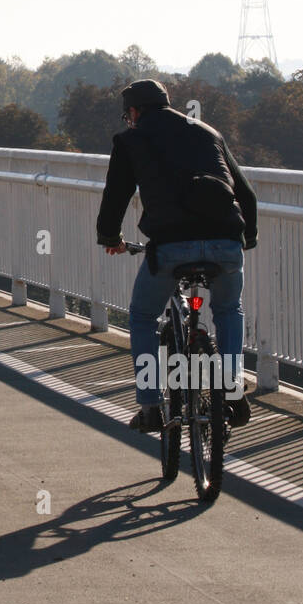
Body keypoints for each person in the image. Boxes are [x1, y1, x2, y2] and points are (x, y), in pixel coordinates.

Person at [96, 78, 258, 434]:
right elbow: (245, 192)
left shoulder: (131, 139)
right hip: (225, 241)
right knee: (228, 309)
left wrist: (110, 236)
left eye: (128, 116)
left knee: (141, 317)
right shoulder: (207, 132)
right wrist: (248, 238)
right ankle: (232, 386)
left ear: (134, 112)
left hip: (171, 246)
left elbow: (117, 194)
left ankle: (151, 406)